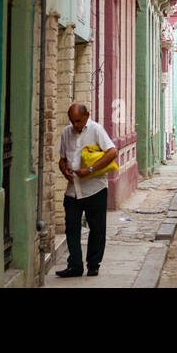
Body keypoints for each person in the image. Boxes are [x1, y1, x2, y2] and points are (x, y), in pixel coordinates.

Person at [56, 103, 117, 278]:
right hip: (72, 190)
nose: (75, 125)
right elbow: (62, 159)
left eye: (78, 121)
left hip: (95, 188)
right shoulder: (66, 132)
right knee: (71, 226)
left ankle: (93, 265)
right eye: (72, 121)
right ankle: (75, 265)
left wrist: (90, 170)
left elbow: (112, 152)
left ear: (87, 116)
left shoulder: (96, 130)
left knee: (97, 229)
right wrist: (64, 170)